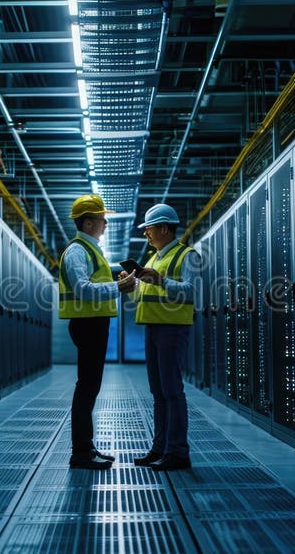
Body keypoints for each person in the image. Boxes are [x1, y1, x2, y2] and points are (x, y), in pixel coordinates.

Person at [59, 194, 136, 470]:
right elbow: (83, 289)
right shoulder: (78, 251)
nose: (105, 223)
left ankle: (86, 447)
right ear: (89, 222)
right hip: (87, 324)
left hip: (94, 322)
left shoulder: (90, 250)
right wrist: (118, 288)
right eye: (102, 218)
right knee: (87, 388)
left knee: (90, 388)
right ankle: (80, 453)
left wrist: (117, 284)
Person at [123, 203, 200, 471]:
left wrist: (161, 281)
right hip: (153, 327)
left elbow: (191, 292)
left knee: (172, 391)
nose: (146, 234)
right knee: (158, 392)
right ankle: (160, 449)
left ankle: (178, 452)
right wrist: (131, 287)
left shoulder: (187, 255)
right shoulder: (152, 259)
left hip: (172, 328)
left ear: (164, 228)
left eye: (149, 229)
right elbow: (145, 295)